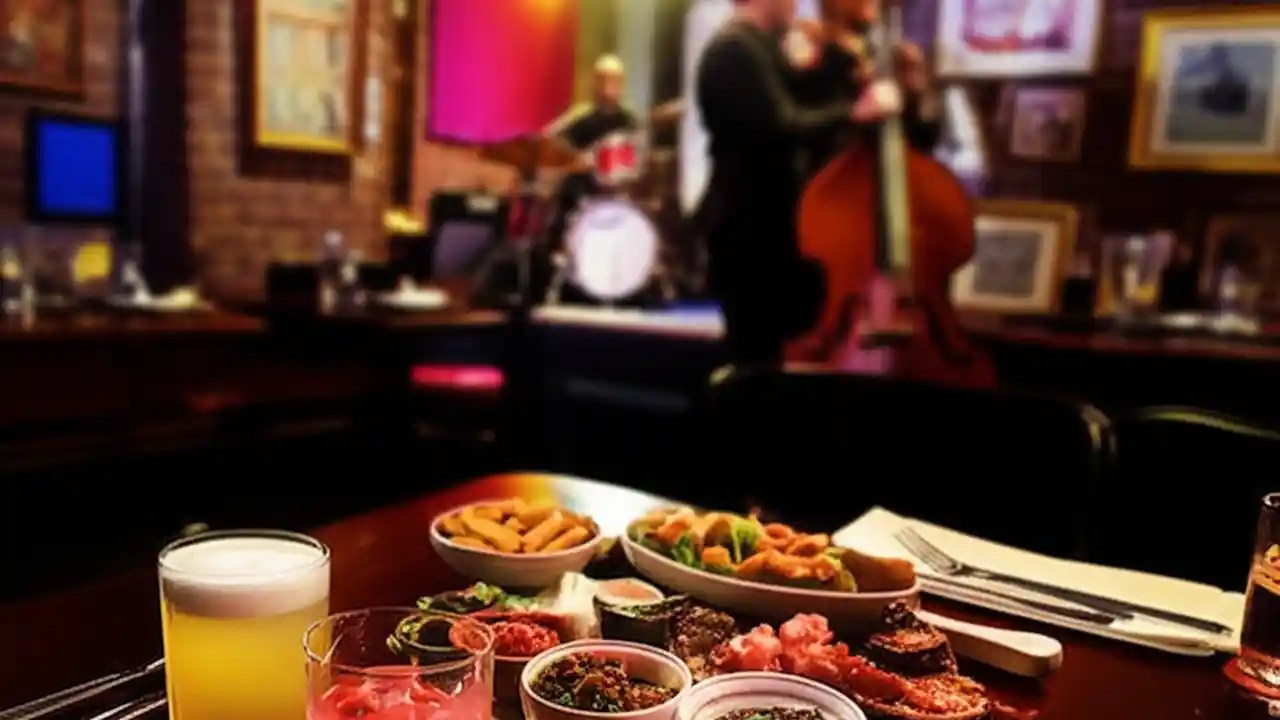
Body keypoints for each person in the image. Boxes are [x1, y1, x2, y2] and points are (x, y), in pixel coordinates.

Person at [695, 0, 900, 365]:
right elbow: (782, 123)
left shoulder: (761, 48)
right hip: (749, 238)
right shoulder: (734, 50)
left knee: (779, 355)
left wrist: (838, 57)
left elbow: (806, 99)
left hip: (770, 234)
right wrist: (856, 112)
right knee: (758, 359)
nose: (795, 5)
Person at [791, 0, 942, 178]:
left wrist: (916, 91)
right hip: (834, 181)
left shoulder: (881, 51)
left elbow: (925, 140)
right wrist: (856, 111)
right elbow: (800, 126)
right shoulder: (813, 53)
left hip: (881, 178)